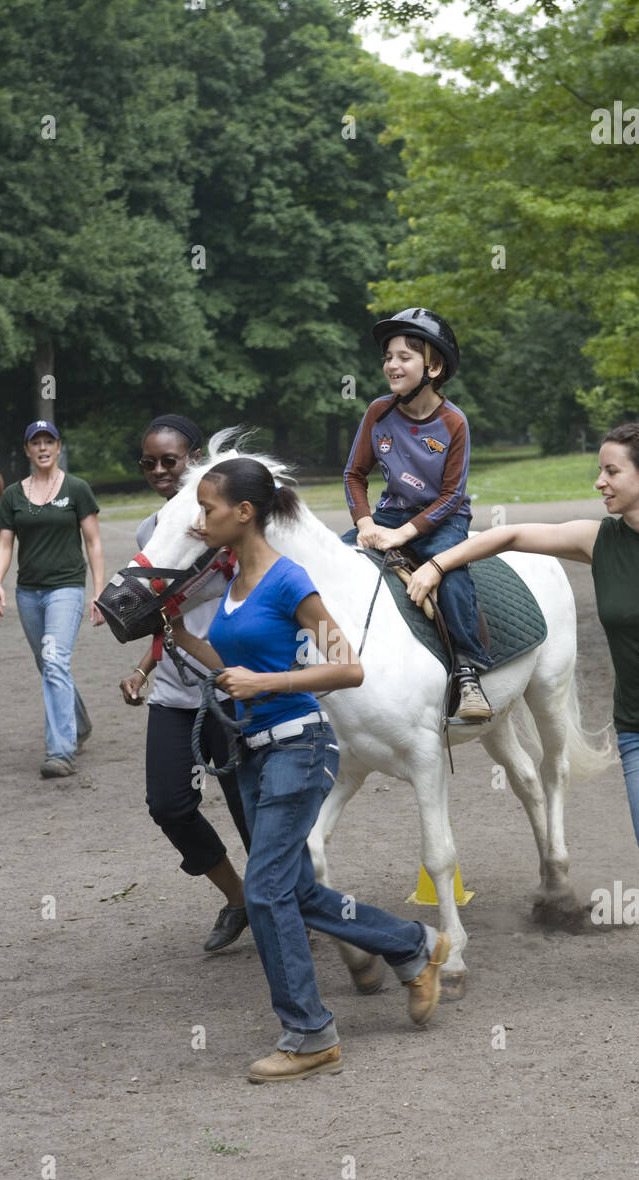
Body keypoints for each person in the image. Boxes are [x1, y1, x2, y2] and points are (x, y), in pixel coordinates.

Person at [407, 421, 639, 999]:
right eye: (601, 471)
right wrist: (437, 565)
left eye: (612, 471)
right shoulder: (599, 540)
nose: (600, 481)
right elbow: (508, 537)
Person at [168, 456, 450, 1083]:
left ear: (243, 513)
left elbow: (347, 668)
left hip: (298, 748)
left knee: (265, 892)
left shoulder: (290, 581)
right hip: (254, 751)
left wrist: (265, 681)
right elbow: (232, 663)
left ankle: (310, 1033)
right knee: (294, 890)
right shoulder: (236, 579)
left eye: (207, 507)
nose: (199, 518)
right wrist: (181, 641)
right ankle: (414, 945)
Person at [119, 414, 251, 954]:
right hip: (176, 692)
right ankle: (239, 897)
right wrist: (143, 669)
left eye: (169, 461)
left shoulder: (231, 524)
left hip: (235, 686)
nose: (158, 470)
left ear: (194, 458)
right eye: (148, 462)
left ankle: (286, 906)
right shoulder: (150, 532)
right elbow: (163, 615)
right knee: (169, 804)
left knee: (252, 813)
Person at [342, 306, 494, 720]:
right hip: (389, 515)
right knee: (335, 560)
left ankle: (467, 670)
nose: (392, 364)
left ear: (434, 365)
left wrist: (403, 535)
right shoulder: (378, 412)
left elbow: (451, 496)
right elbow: (354, 475)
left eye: (404, 356)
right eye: (388, 356)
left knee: (454, 577)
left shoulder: (454, 422)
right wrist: (365, 522)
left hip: (443, 519)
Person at [0, 420, 105, 778]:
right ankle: (79, 723)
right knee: (48, 665)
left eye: (48, 442)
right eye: (35, 442)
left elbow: (94, 542)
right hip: (28, 592)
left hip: (66, 588)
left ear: (58, 447)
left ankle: (61, 752)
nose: (42, 448)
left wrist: (99, 591)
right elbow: (5, 543)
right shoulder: (12, 495)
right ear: (27, 450)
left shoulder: (77, 488)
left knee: (54, 661)